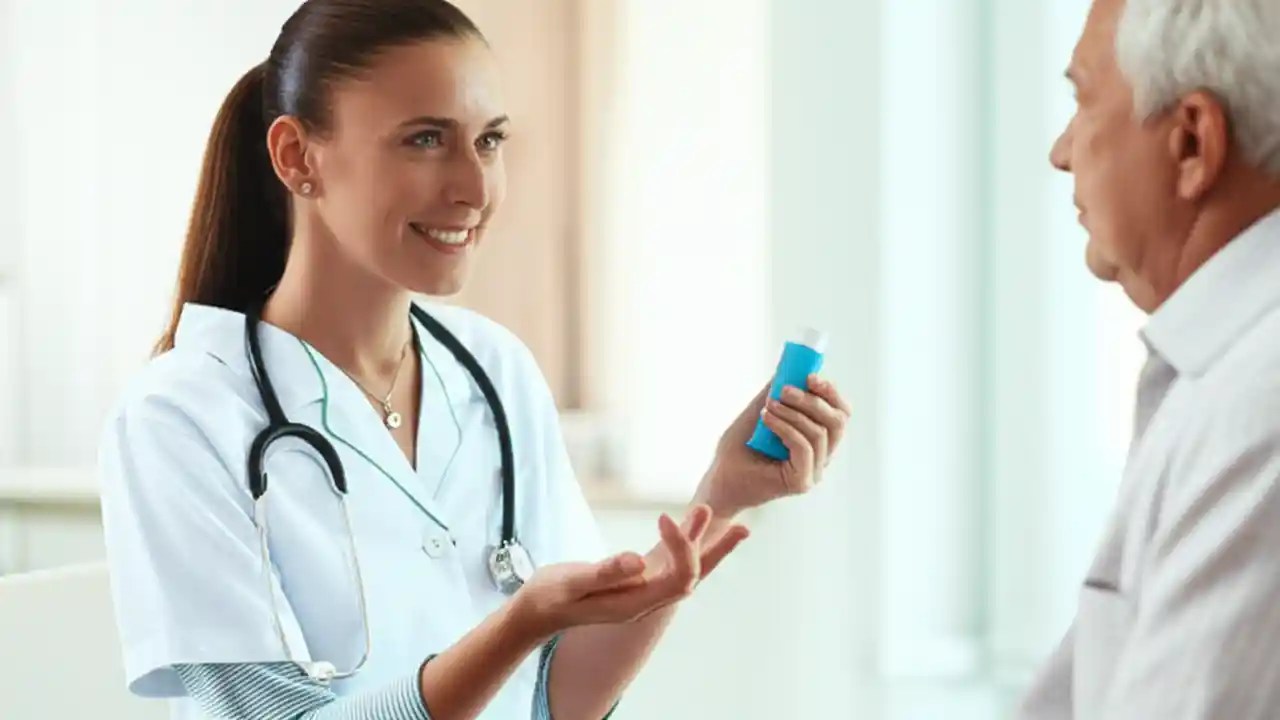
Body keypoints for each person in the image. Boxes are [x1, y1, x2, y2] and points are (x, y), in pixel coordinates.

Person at [95, 1, 852, 719]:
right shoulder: (183, 415)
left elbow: (553, 699)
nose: (475, 187)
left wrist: (722, 494)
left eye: (489, 140)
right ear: (298, 156)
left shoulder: (493, 370)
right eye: (425, 139)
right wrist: (516, 626)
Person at [1018, 0, 1280, 717]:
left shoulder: (1259, 404)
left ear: (1193, 142)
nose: (1062, 150)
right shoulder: (1213, 373)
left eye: (1083, 100)